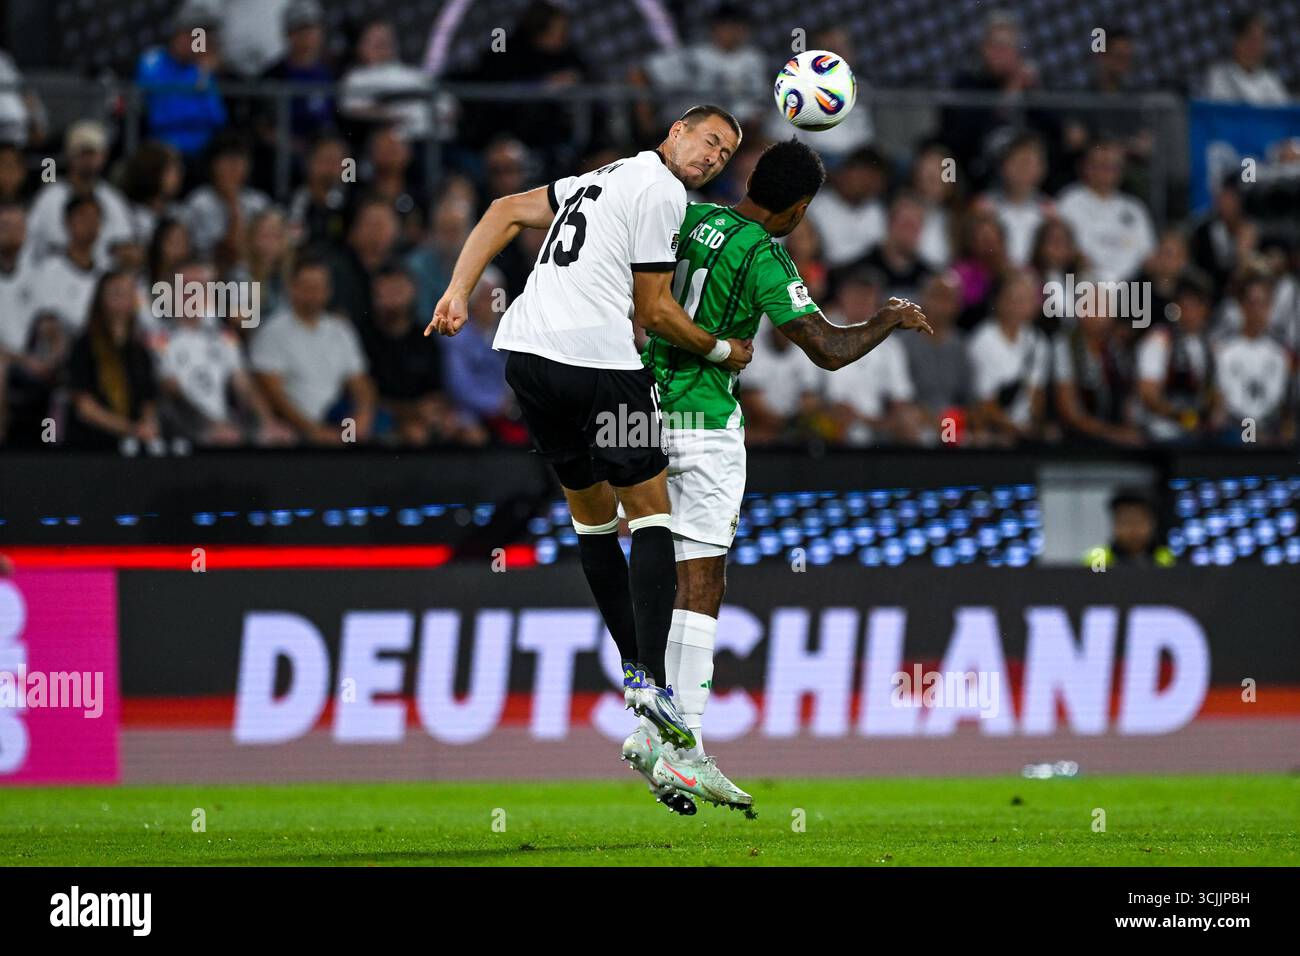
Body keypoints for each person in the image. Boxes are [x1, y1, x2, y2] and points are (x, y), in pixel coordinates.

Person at [425, 105, 748, 814]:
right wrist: (725, 350)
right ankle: (651, 677)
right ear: (676, 133)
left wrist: (456, 290)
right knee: (654, 514)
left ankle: (638, 675)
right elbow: (656, 310)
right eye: (709, 141)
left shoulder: (600, 178)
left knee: (593, 519)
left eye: (724, 155)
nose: (712, 158)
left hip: (528, 360)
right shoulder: (664, 190)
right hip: (599, 364)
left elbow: (505, 208)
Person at [637, 138, 930, 811]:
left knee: (662, 571)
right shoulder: (766, 255)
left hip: (646, 413)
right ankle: (685, 750)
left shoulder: (693, 219)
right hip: (706, 425)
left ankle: (651, 734)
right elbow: (826, 349)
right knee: (701, 580)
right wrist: (885, 319)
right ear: (798, 208)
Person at [251, 255, 376, 445]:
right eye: (306, 287)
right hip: (293, 430)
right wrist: (313, 431)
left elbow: (359, 382)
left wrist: (363, 416)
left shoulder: (340, 330)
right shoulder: (272, 332)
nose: (313, 293)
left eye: (319, 287)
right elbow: (272, 392)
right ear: (292, 288)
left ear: (329, 290)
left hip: (336, 422)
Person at [65, 271, 160, 449]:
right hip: (92, 444)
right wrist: (130, 429)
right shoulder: (84, 346)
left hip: (133, 442)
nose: (123, 299)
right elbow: (85, 407)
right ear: (101, 299)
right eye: (116, 293)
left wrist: (147, 425)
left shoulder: (141, 350)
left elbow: (149, 399)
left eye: (128, 293)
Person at [1203, 12, 1289, 106]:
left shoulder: (1271, 80)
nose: (1255, 46)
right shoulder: (1218, 76)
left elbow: (1282, 116)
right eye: (1250, 39)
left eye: (1260, 41)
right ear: (1237, 41)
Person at [1085, 487, 1175, 569]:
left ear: (1152, 523)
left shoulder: (1165, 558)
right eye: (1125, 522)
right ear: (1115, 524)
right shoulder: (1098, 558)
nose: (1132, 530)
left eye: (1138, 521)